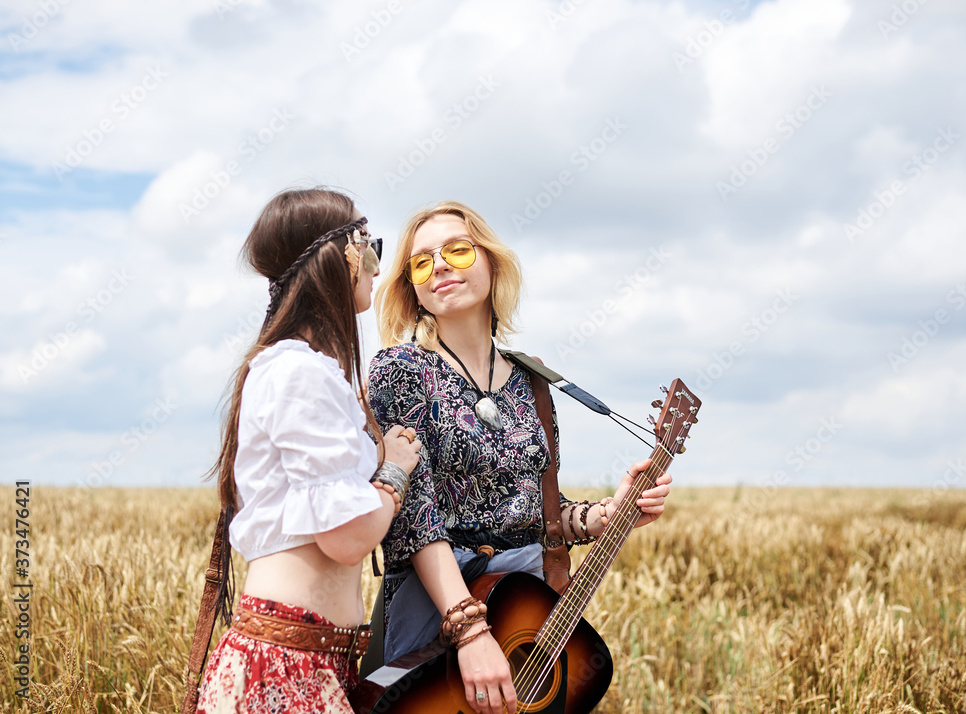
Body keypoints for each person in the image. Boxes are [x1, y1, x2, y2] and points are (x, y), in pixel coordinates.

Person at [366, 201, 672, 714]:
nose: (439, 265)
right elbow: (413, 514)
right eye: (421, 262)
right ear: (410, 286)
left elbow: (534, 508)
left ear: (491, 263)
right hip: (438, 599)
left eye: (457, 251)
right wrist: (468, 631)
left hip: (526, 604)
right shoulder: (401, 369)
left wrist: (604, 515)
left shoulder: (535, 380)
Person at [195, 188, 422, 713]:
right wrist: (393, 470)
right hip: (286, 662)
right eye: (369, 248)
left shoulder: (309, 370)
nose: (376, 268)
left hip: (306, 658)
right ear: (337, 257)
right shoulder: (299, 370)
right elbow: (347, 537)